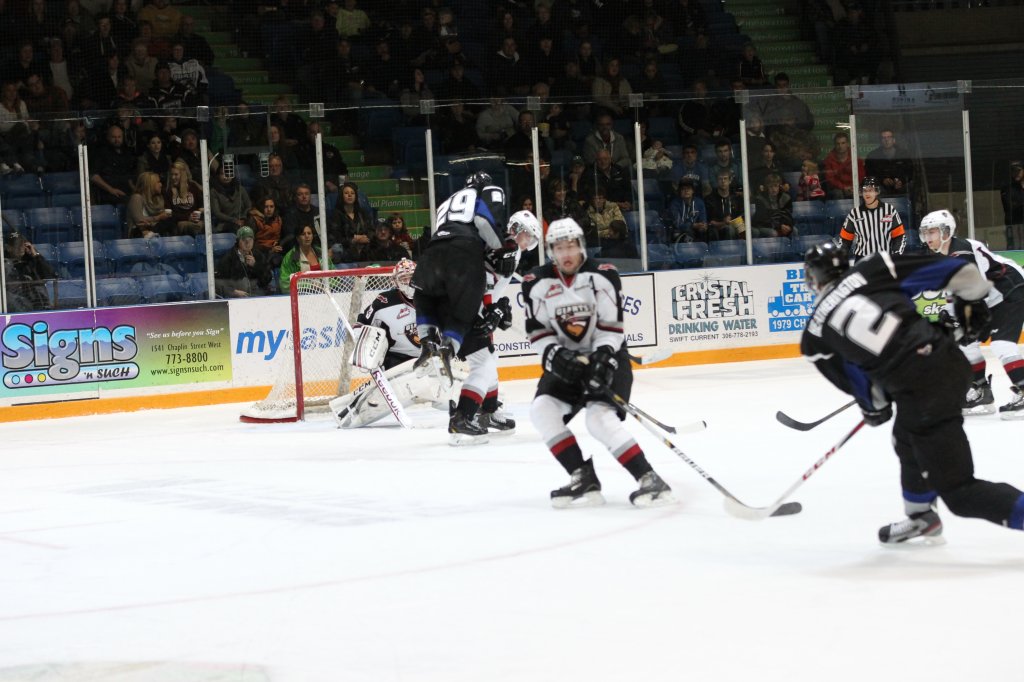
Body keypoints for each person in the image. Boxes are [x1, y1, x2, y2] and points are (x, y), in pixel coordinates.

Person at [800, 241, 1024, 544]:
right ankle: (921, 517)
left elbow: (872, 396)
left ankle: (929, 514)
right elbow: (963, 271)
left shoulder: (813, 338)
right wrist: (971, 303)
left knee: (959, 492)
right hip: (951, 364)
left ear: (812, 278)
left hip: (925, 393)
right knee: (905, 437)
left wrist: (873, 409)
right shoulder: (874, 267)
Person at [522, 218, 673, 508]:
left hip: (608, 356)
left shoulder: (603, 274)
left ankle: (649, 479)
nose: (566, 254)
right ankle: (582, 477)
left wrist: (603, 358)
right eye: (558, 247)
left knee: (598, 418)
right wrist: (554, 356)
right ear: (550, 250)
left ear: (581, 246)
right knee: (542, 410)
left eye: (571, 246)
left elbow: (611, 327)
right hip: (564, 359)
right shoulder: (536, 282)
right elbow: (538, 330)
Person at [410, 171, 514, 390]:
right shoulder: (487, 191)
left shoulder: (445, 202)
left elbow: (441, 229)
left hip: (433, 248)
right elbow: (484, 220)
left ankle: (427, 341)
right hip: (464, 251)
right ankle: (449, 346)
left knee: (425, 292)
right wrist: (499, 247)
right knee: (465, 307)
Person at [447, 210, 543, 444]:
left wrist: (498, 307)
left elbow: (489, 285)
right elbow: (480, 281)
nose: (528, 244)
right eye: (528, 237)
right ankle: (463, 417)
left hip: (472, 306)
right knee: (485, 364)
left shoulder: (508, 250)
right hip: (465, 308)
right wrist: (492, 309)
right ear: (518, 230)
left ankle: (487, 412)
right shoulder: (501, 248)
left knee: (489, 358)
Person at [919, 209, 1024, 419]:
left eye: (932, 232)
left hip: (1011, 291)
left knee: (1001, 344)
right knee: (966, 343)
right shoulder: (944, 256)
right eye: (925, 233)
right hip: (991, 298)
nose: (928, 238)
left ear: (946, 232)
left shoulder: (961, 251)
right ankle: (980, 390)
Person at [330, 259, 457, 429]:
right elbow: (361, 324)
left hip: (430, 355)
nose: (408, 282)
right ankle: (355, 406)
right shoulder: (384, 301)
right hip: (396, 360)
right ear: (395, 281)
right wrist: (363, 340)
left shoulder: (434, 297)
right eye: (403, 279)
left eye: (411, 277)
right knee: (407, 388)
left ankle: (467, 405)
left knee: (443, 393)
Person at [839, 176, 906, 258]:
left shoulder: (889, 210)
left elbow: (899, 236)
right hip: (862, 260)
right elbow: (845, 240)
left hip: (885, 259)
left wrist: (897, 254)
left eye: (870, 190)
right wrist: (841, 256)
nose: (867, 193)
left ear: (877, 192)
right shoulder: (855, 213)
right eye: (864, 191)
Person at [3, 231, 55, 312]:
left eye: (23, 245)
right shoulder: (4, 263)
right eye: (17, 245)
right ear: (9, 248)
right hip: (16, 305)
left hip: (36, 302)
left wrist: (36, 255)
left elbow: (49, 275)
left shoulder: (31, 260)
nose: (21, 248)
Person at [215, 225, 272, 298]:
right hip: (236, 297)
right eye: (244, 240)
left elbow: (268, 279)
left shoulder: (258, 255)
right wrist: (233, 292)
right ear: (238, 241)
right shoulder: (228, 258)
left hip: (257, 294)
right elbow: (218, 282)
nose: (247, 243)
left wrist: (255, 266)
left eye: (250, 240)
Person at [327, 181, 373, 263]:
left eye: (352, 193)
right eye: (346, 193)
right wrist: (354, 240)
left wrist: (365, 238)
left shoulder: (362, 213)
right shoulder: (336, 215)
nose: (349, 195)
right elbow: (335, 238)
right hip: (344, 254)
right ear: (342, 196)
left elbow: (371, 230)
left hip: (364, 251)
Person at [279, 223, 332, 292]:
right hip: (302, 296)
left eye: (309, 233)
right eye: (303, 234)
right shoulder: (290, 257)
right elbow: (284, 283)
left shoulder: (321, 252)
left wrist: (326, 286)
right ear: (298, 238)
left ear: (312, 236)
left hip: (324, 293)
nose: (307, 236)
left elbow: (333, 275)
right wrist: (310, 287)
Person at [865, 129, 914, 198]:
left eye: (889, 137)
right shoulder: (873, 156)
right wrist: (882, 180)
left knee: (911, 186)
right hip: (881, 188)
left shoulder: (903, 154)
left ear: (894, 140)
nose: (886, 140)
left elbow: (910, 172)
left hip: (902, 187)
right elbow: (869, 174)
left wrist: (901, 181)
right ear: (880, 141)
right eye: (883, 138)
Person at [210, 159, 253, 234]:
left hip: (242, 220)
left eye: (228, 173)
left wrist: (243, 217)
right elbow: (217, 213)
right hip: (225, 223)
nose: (226, 177)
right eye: (222, 174)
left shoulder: (239, 188)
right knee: (235, 228)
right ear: (218, 175)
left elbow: (248, 205)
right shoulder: (214, 191)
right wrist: (234, 220)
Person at [127, 171, 175, 238]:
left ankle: (152, 234)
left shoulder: (158, 198)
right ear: (150, 184)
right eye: (158, 182)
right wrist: (158, 217)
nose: (161, 185)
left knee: (171, 220)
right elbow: (140, 222)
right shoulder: (137, 198)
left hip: (153, 229)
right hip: (139, 233)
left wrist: (161, 217)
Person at [165, 159, 203, 236]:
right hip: (179, 221)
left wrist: (201, 211)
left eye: (176, 175)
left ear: (182, 175)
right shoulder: (168, 191)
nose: (173, 177)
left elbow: (202, 205)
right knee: (188, 226)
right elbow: (169, 213)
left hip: (195, 220)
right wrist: (187, 217)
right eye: (171, 174)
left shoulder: (193, 187)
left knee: (202, 225)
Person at [822, 131, 864, 200]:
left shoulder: (855, 157)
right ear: (835, 145)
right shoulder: (829, 159)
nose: (840, 146)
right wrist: (843, 187)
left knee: (865, 192)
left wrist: (853, 187)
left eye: (843, 143)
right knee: (837, 193)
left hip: (854, 187)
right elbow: (830, 179)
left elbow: (861, 174)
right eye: (838, 144)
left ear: (847, 144)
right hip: (837, 189)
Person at [751, 173, 795, 239]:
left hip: (780, 225)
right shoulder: (760, 199)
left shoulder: (786, 198)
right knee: (773, 233)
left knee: (794, 231)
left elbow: (788, 215)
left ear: (779, 186)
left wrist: (788, 225)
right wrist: (779, 226)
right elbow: (764, 219)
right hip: (764, 226)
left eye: (776, 186)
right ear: (767, 187)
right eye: (771, 186)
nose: (774, 189)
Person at [704, 169, 742, 241]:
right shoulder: (710, 199)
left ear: (730, 181)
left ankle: (746, 251)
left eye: (725, 178)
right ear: (717, 181)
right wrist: (724, 222)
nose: (723, 181)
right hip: (718, 228)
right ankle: (729, 251)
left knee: (752, 232)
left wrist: (733, 222)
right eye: (720, 179)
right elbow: (711, 222)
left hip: (736, 225)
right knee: (729, 229)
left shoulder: (736, 198)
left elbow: (741, 217)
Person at [247, 197, 284, 268]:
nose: (269, 209)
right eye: (266, 207)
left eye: (271, 206)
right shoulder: (254, 220)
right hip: (259, 251)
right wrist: (269, 250)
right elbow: (250, 244)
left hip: (275, 250)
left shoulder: (278, 219)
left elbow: (279, 237)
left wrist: (278, 246)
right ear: (261, 207)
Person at [667, 178, 708, 243]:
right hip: (679, 232)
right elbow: (678, 224)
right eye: (683, 189)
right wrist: (692, 225)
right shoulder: (674, 204)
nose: (686, 191)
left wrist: (703, 226)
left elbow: (703, 219)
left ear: (693, 190)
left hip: (697, 232)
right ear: (680, 191)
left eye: (688, 188)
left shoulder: (699, 202)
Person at [999, 161, 1024, 249]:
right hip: (1014, 226)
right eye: (1013, 171)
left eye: (1018, 171)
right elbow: (1009, 207)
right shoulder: (1007, 189)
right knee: (1014, 250)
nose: (1016, 173)